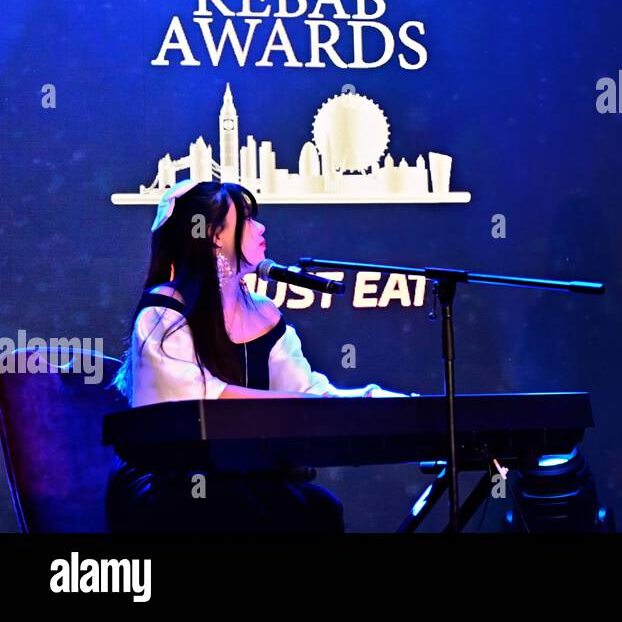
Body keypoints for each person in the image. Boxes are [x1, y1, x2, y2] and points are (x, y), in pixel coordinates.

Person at [107, 179, 405, 533]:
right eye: (247, 218)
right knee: (242, 507)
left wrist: (369, 400)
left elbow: (305, 391)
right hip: (169, 481)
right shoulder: (164, 311)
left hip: (240, 476)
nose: (261, 227)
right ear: (215, 234)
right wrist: (304, 405)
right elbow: (201, 400)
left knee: (319, 508)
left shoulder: (264, 313)